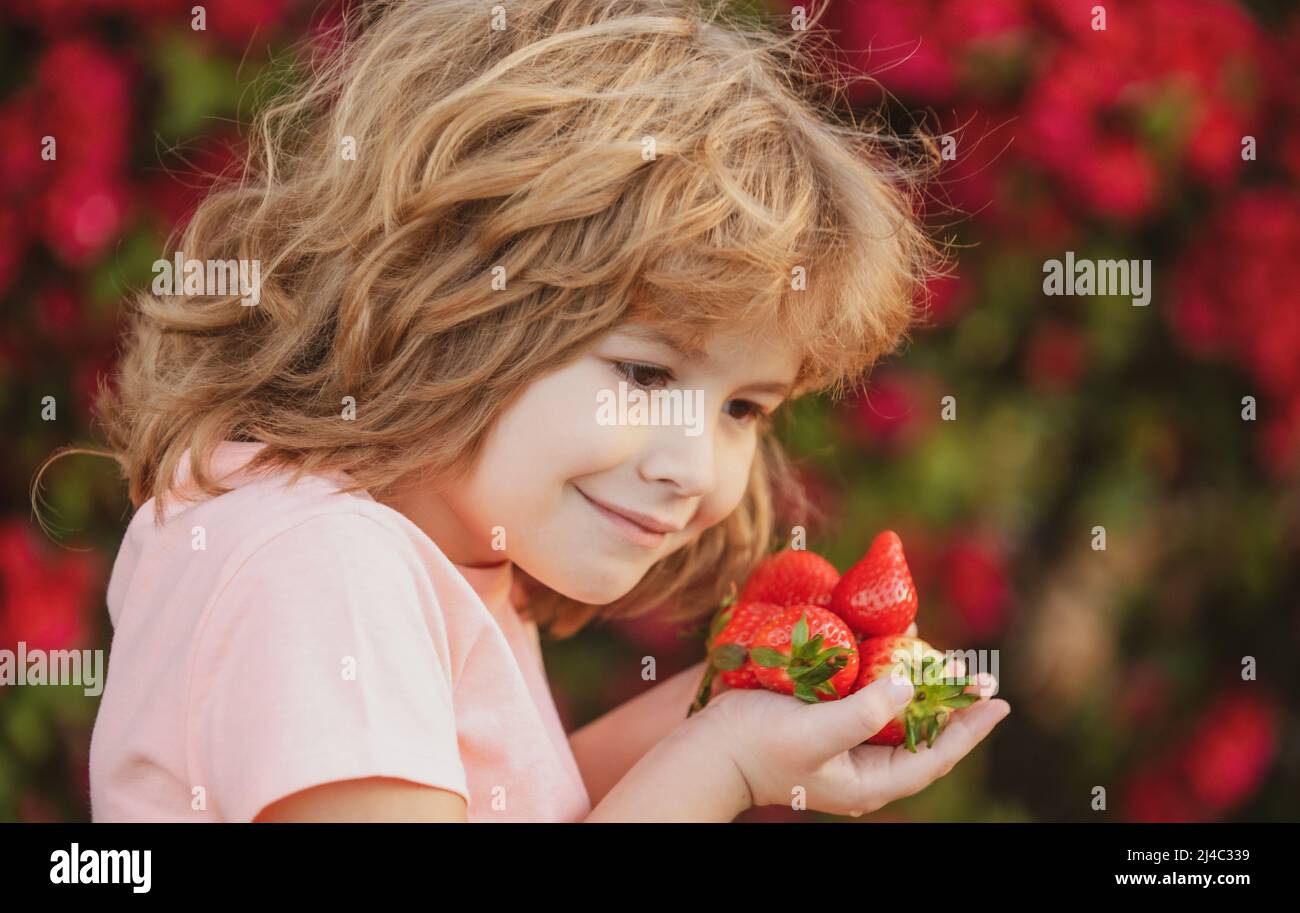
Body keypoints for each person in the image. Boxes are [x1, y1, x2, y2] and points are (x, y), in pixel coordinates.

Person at [52, 0, 1009, 822]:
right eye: (643, 374)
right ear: (452, 302)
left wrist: (730, 708)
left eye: (746, 407)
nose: (699, 468)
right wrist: (722, 765)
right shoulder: (323, 570)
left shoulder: (409, 552)